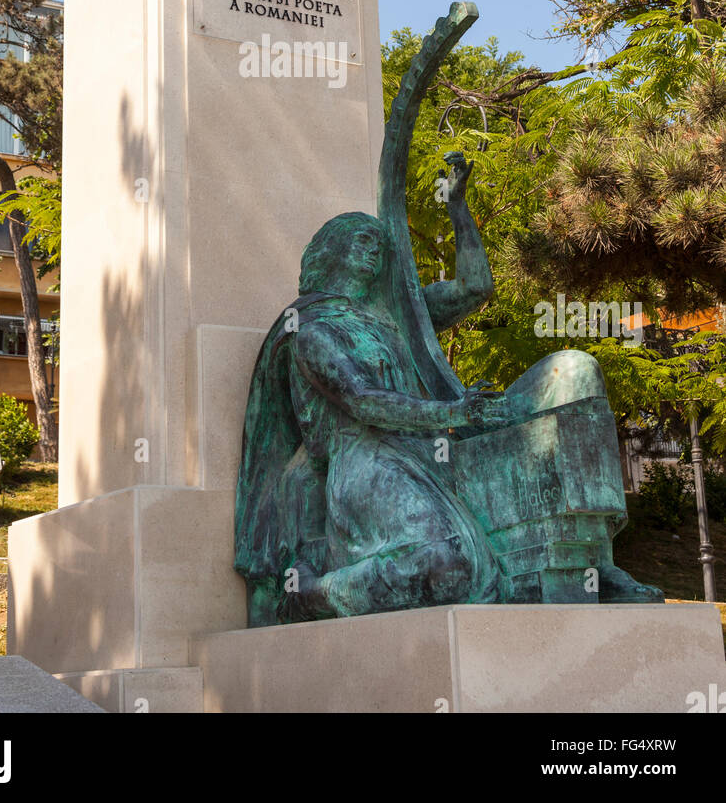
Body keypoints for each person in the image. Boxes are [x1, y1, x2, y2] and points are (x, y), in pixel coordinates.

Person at [235, 155, 663, 623]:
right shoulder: (312, 330)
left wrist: (457, 207)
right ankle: (317, 593)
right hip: (368, 460)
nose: (375, 251)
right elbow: (363, 400)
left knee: (577, 370)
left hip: (438, 445)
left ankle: (594, 560)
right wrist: (456, 412)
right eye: (362, 240)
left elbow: (474, 288)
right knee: (447, 567)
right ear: (330, 251)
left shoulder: (395, 316)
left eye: (379, 244)